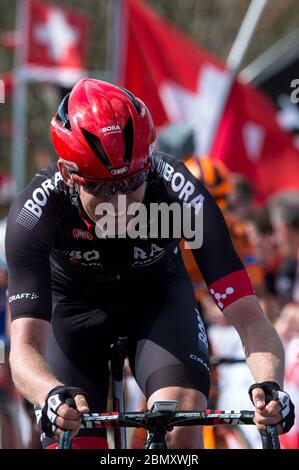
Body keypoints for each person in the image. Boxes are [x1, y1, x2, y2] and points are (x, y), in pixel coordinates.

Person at [6, 79, 294, 449]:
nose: (122, 201)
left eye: (132, 181)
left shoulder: (178, 192)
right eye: (104, 188)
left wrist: (270, 385)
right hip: (74, 312)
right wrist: (51, 394)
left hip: (156, 302)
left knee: (179, 424)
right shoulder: (36, 212)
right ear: (68, 175)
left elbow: (250, 317)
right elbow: (24, 348)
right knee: (73, 434)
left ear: (148, 163)